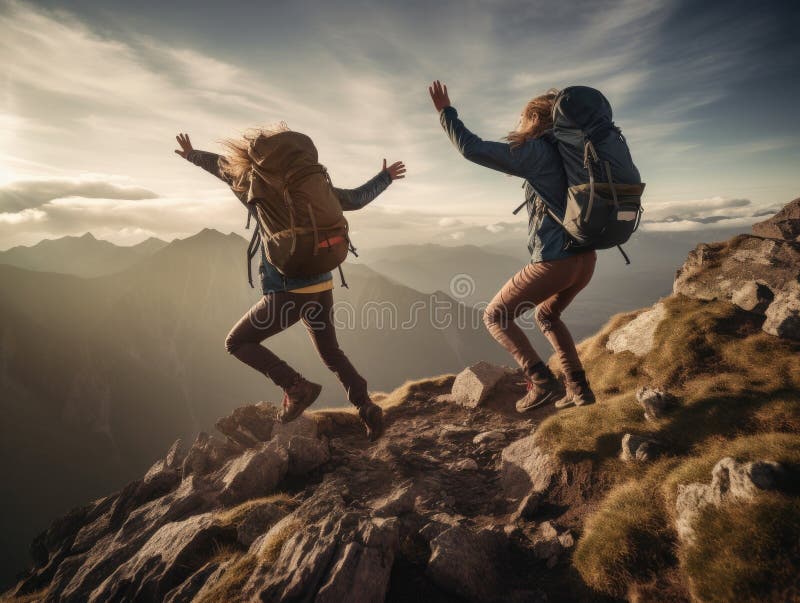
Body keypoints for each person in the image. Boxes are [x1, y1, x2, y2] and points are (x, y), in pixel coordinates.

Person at [174, 127, 406, 439]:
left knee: (237, 342)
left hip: (287, 292)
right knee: (331, 352)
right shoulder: (312, 188)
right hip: (322, 285)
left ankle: (296, 387)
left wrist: (192, 155)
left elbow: (222, 168)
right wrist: (385, 178)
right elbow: (356, 199)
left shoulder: (255, 187)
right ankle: (366, 406)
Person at [429, 81, 596, 412]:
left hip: (556, 262)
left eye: (523, 118)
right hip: (585, 258)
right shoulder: (574, 152)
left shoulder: (537, 151)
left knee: (495, 316)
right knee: (547, 315)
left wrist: (445, 112)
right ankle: (579, 389)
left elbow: (472, 148)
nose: (519, 124)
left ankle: (541, 380)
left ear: (534, 118)